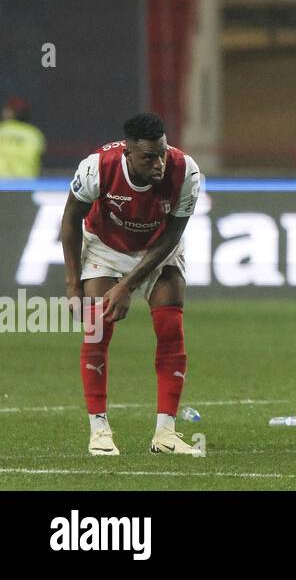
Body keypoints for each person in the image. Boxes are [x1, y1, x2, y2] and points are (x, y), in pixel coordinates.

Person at [59, 112, 202, 456]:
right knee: (97, 328)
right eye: (149, 157)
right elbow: (70, 220)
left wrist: (127, 286)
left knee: (170, 327)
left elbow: (172, 237)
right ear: (128, 154)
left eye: (162, 153)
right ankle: (99, 432)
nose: (159, 163)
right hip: (105, 248)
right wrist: (73, 284)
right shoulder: (97, 167)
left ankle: (166, 434)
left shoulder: (187, 172)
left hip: (157, 250)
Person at [0, 96, 46, 178]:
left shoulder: (2, 129)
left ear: (10, 112)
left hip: (2, 184)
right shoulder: (34, 134)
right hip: (26, 184)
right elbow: (41, 160)